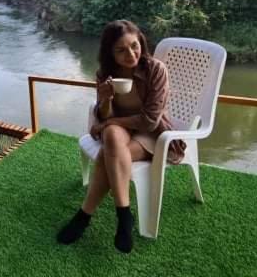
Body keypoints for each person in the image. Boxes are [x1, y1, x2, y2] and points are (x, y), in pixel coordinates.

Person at [56, 20, 186, 253]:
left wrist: (110, 122)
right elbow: (104, 114)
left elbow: (149, 121)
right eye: (121, 50)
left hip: (152, 133)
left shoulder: (155, 69)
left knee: (109, 151)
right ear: (110, 53)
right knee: (113, 138)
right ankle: (124, 215)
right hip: (123, 132)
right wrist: (105, 99)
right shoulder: (105, 74)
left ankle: (85, 216)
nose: (130, 54)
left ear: (141, 43)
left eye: (134, 46)